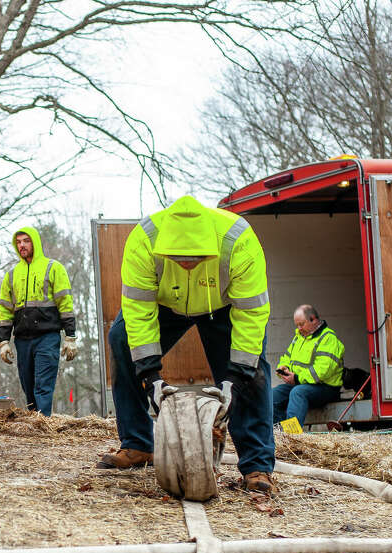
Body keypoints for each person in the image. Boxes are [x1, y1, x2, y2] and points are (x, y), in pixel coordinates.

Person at [99, 195, 276, 494]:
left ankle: (257, 465)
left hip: (221, 305)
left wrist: (235, 378)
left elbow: (251, 315)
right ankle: (139, 444)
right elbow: (139, 314)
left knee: (254, 371)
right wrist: (151, 376)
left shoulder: (239, 242)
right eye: (178, 258)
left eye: (195, 259)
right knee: (122, 340)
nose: (186, 264)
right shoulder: (143, 241)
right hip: (166, 304)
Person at [0, 227, 77, 416]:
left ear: (35, 242)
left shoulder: (53, 267)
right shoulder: (11, 275)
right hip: (23, 339)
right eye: (18, 242)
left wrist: (70, 336)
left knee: (43, 385)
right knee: (28, 385)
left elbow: (65, 303)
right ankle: (35, 423)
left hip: (47, 337)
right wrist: (3, 342)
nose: (22, 245)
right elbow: (5, 310)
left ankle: (42, 424)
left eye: (26, 241)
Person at [272, 304, 344, 425]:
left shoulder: (328, 338)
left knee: (298, 392)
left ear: (313, 319)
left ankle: (291, 436)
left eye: (301, 324)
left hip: (326, 388)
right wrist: (284, 367)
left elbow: (321, 372)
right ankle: (279, 434)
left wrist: (296, 378)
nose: (299, 328)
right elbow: (287, 357)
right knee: (273, 395)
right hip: (301, 383)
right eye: (297, 325)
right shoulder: (299, 337)